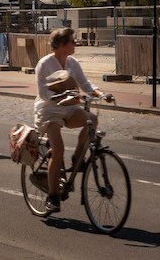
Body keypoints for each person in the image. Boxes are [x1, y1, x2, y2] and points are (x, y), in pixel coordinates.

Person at [33, 27, 111, 213]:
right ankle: (52, 197)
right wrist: (60, 98)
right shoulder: (44, 64)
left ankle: (78, 156)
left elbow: (85, 84)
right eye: (72, 41)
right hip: (49, 111)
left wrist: (101, 94)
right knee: (58, 149)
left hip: (69, 108)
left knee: (91, 120)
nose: (75, 44)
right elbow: (43, 92)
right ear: (61, 45)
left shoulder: (72, 62)